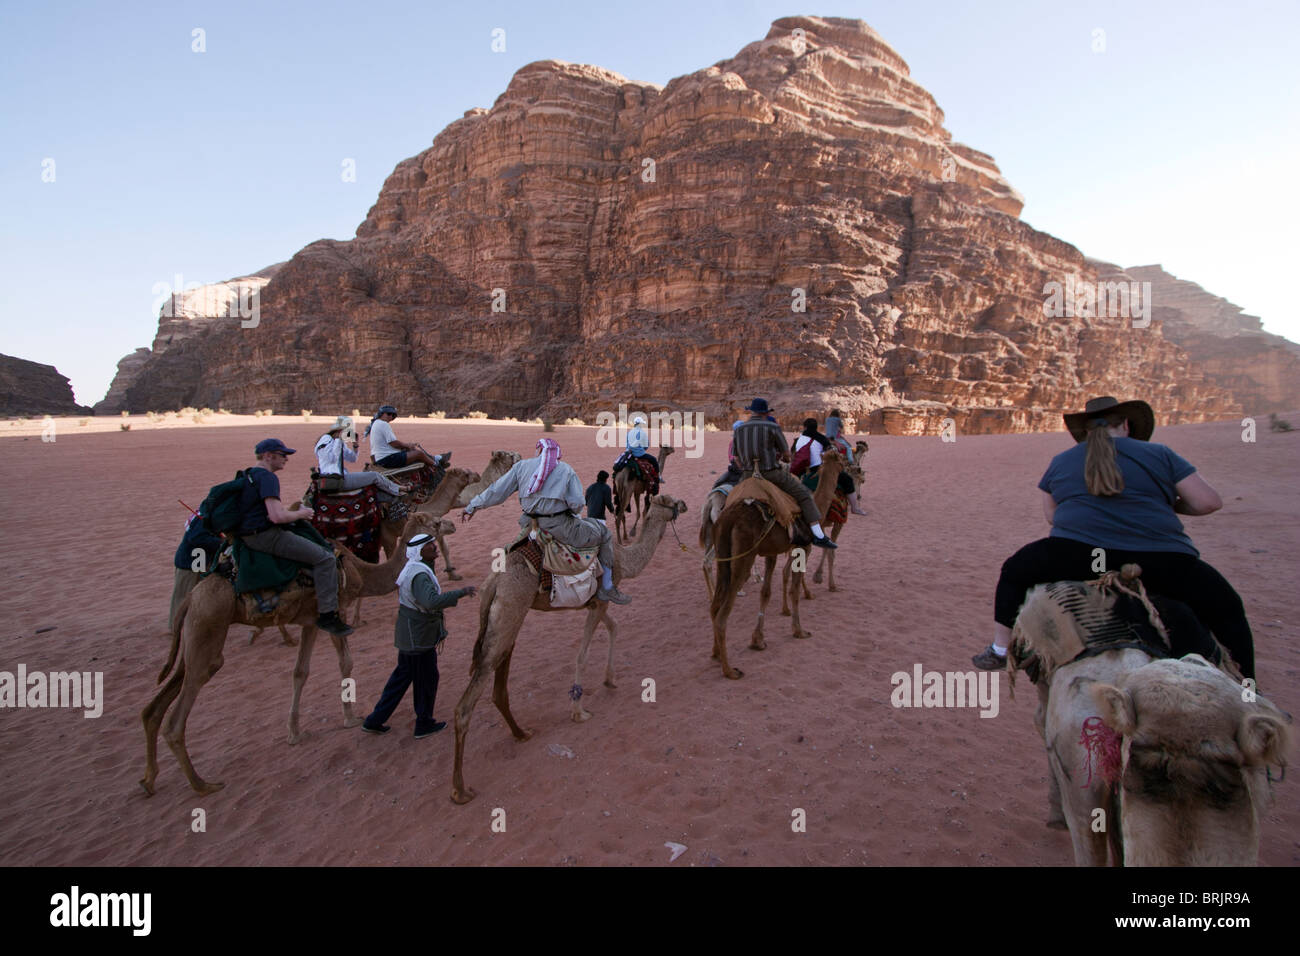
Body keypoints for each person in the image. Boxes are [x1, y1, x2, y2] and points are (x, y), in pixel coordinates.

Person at [971, 396, 1256, 679]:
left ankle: (1001, 649)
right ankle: (1248, 690)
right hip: (1162, 561)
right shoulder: (1160, 454)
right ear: (1127, 425)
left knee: (1014, 571)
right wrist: (1165, 502)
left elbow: (1053, 518)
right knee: (1228, 608)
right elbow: (1208, 502)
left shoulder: (1061, 461)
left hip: (1080, 557)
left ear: (1085, 431)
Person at [463, 438, 633, 604]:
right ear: (557, 454)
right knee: (604, 533)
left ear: (538, 452)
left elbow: (497, 491)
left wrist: (473, 506)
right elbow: (577, 504)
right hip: (559, 526)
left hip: (529, 525)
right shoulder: (565, 470)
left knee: (509, 550)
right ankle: (607, 587)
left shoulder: (521, 467)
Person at [361, 533, 476, 737]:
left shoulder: (415, 570)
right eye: (430, 545)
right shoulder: (420, 575)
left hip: (410, 635)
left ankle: (374, 720)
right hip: (418, 637)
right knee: (426, 679)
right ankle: (423, 723)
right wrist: (461, 592)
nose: (435, 546)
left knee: (401, 679)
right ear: (420, 551)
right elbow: (431, 602)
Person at [237, 438, 353, 637]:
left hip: (247, 535)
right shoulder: (268, 478)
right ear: (268, 456)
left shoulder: (248, 475)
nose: (286, 459)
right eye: (282, 455)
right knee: (325, 559)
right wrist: (302, 514)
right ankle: (328, 615)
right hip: (266, 536)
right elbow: (276, 516)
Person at [731, 399, 837, 549]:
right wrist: (782, 458)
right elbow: (787, 455)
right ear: (766, 413)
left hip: (747, 475)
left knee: (729, 497)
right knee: (804, 495)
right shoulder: (773, 427)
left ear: (752, 411)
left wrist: (746, 469)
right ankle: (818, 536)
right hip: (771, 474)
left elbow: (736, 458)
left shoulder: (740, 429)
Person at [313, 415, 401, 500]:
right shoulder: (325, 439)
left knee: (369, 476)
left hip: (341, 476)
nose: (348, 435)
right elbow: (332, 459)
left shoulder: (338, 442)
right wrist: (339, 440)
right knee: (374, 476)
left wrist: (355, 446)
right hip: (333, 478)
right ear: (340, 430)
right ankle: (398, 491)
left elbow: (352, 458)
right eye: (347, 432)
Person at [169, 507, 224, 633]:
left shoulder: (207, 512)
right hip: (190, 561)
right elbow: (196, 538)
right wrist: (221, 543)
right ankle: (177, 629)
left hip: (199, 559)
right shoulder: (205, 516)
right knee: (184, 595)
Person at [365, 405, 447, 471]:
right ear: (381, 414)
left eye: (393, 415)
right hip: (387, 459)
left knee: (413, 447)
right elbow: (393, 443)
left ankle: (433, 458)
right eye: (388, 414)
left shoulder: (376, 424)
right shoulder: (383, 424)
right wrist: (408, 445)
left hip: (382, 458)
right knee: (418, 453)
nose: (390, 417)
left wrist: (408, 446)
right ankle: (436, 465)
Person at [793, 418, 857, 499]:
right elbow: (830, 453)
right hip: (816, 468)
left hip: (800, 468)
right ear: (816, 427)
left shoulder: (799, 439)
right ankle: (855, 507)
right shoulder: (821, 438)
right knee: (848, 480)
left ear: (804, 427)